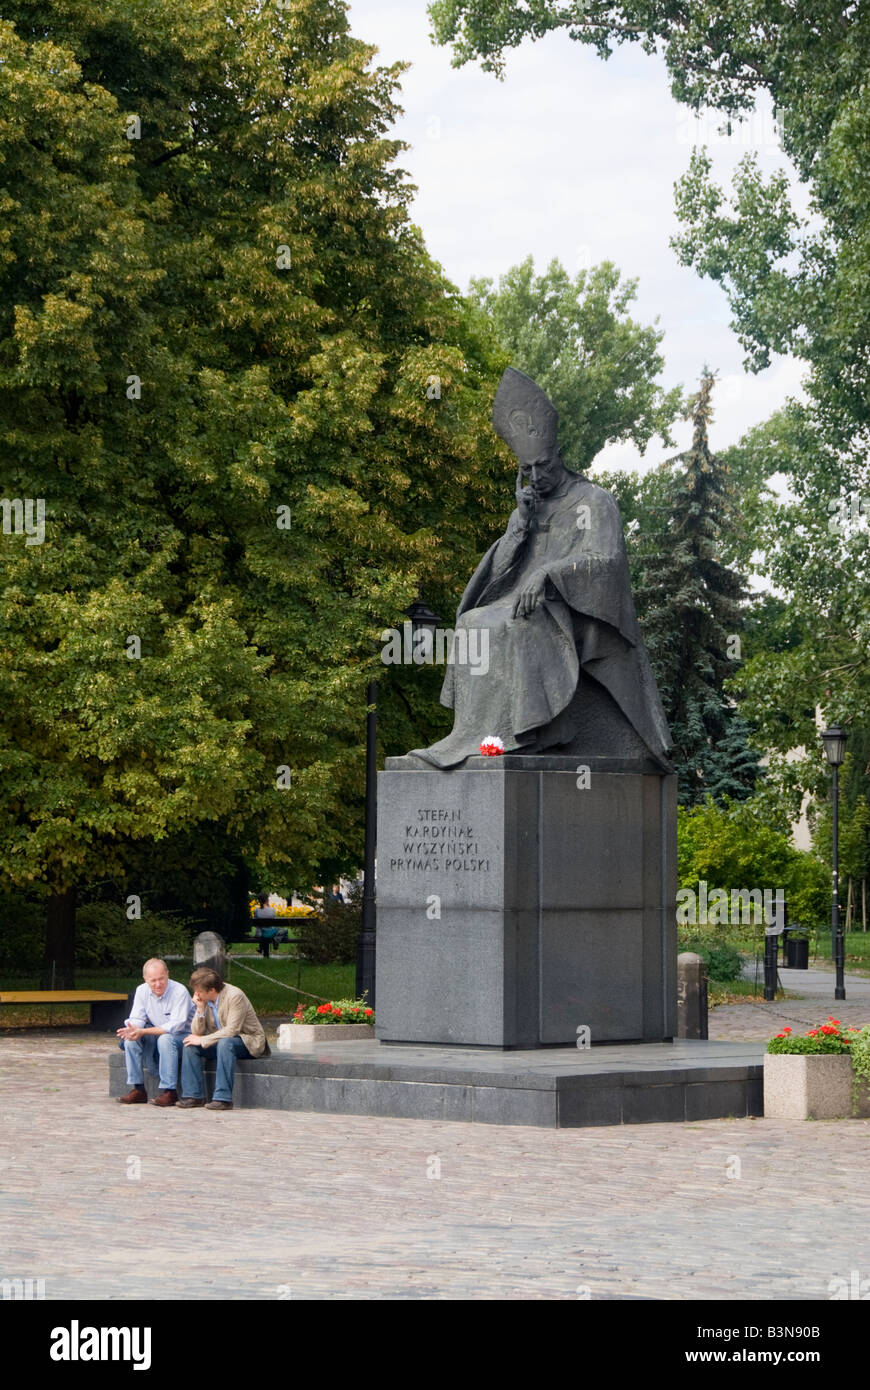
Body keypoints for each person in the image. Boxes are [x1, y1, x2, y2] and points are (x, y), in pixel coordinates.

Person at [407, 367, 672, 769]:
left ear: (559, 456)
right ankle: (474, 736)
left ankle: (541, 731)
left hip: (569, 612)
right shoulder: (528, 506)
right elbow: (495, 577)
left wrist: (550, 574)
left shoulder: (594, 501)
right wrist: (519, 527)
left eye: (542, 467)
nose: (535, 477)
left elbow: (607, 563)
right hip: (518, 603)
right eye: (525, 469)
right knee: (472, 623)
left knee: (517, 626)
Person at [178, 968, 268, 1110]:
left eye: (199, 991)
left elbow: (233, 1030)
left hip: (247, 1040)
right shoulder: (205, 1000)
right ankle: (193, 1096)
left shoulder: (235, 996)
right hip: (219, 1041)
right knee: (190, 1045)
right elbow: (196, 1032)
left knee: (225, 1043)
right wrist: (200, 1009)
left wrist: (203, 1040)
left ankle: (223, 1099)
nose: (196, 995)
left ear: (212, 990)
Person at [116, 958, 195, 1107]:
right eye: (153, 981)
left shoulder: (180, 991)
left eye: (161, 979)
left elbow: (175, 1026)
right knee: (130, 1040)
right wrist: (132, 1029)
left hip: (183, 1036)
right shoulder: (141, 990)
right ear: (145, 979)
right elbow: (137, 1017)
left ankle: (169, 1091)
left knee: (165, 1039)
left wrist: (142, 1031)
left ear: (168, 974)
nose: (158, 984)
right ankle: (138, 1089)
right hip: (157, 1033)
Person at [253, 892, 279, 957]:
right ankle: (265, 953)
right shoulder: (272, 910)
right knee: (267, 932)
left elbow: (256, 923)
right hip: (270, 933)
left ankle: (262, 950)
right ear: (267, 900)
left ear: (259, 901)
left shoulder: (256, 911)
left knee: (264, 933)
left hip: (260, 933)